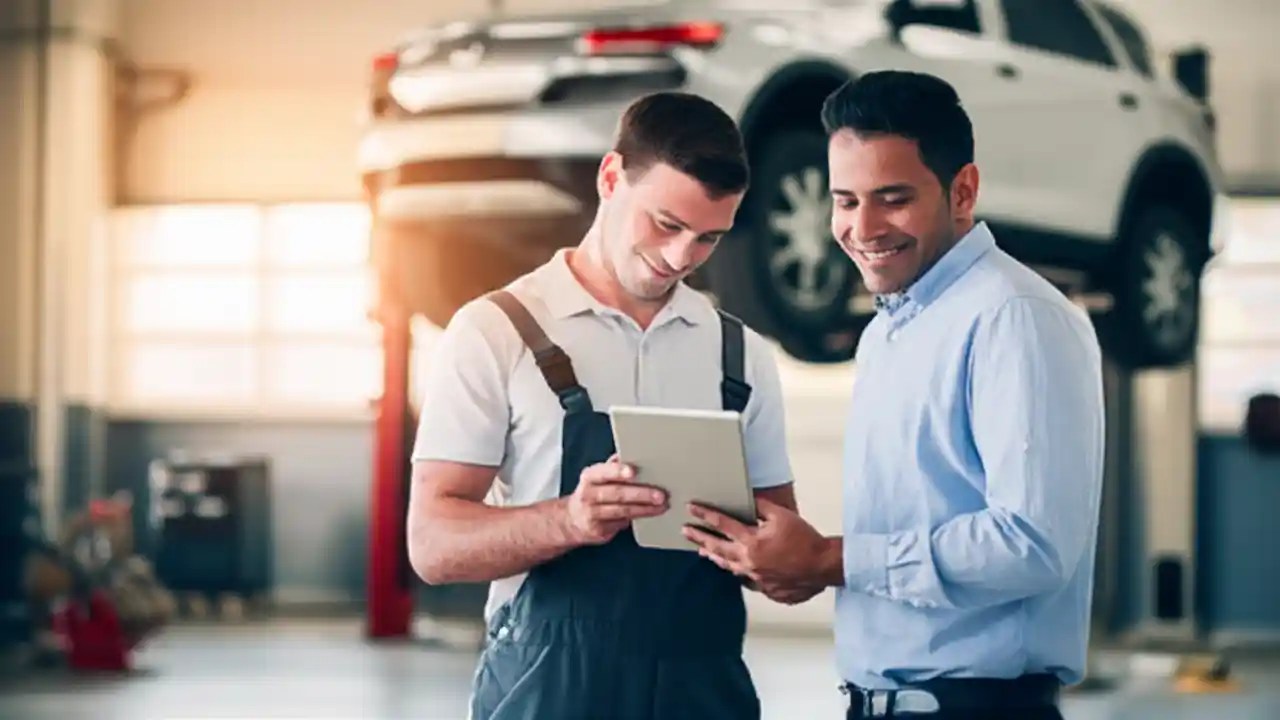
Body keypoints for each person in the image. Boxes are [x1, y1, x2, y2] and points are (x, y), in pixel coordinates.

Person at [685, 70, 1106, 720]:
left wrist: (831, 559)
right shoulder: (888, 331)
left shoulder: (1013, 317)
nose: (864, 227)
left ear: (963, 191)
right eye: (845, 201)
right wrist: (798, 565)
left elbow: (1032, 544)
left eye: (893, 198)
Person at [405, 91, 798, 720]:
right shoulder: (496, 331)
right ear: (611, 178)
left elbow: (784, 558)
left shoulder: (740, 353)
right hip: (548, 687)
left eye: (708, 238)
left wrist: (776, 560)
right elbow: (432, 545)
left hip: (702, 689)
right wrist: (570, 520)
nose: (680, 258)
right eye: (666, 224)